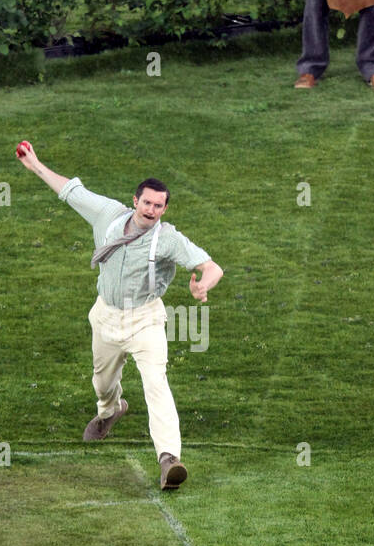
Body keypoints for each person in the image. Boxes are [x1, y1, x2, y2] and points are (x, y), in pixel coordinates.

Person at [15, 142, 223, 490]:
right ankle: (110, 411)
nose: (152, 210)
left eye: (159, 206)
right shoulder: (107, 215)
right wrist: (35, 164)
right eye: (147, 203)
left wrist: (204, 285)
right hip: (107, 317)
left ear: (165, 209)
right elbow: (70, 190)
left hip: (146, 319)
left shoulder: (168, 240)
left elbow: (211, 266)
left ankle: (169, 459)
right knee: (102, 382)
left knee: (156, 384)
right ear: (135, 201)